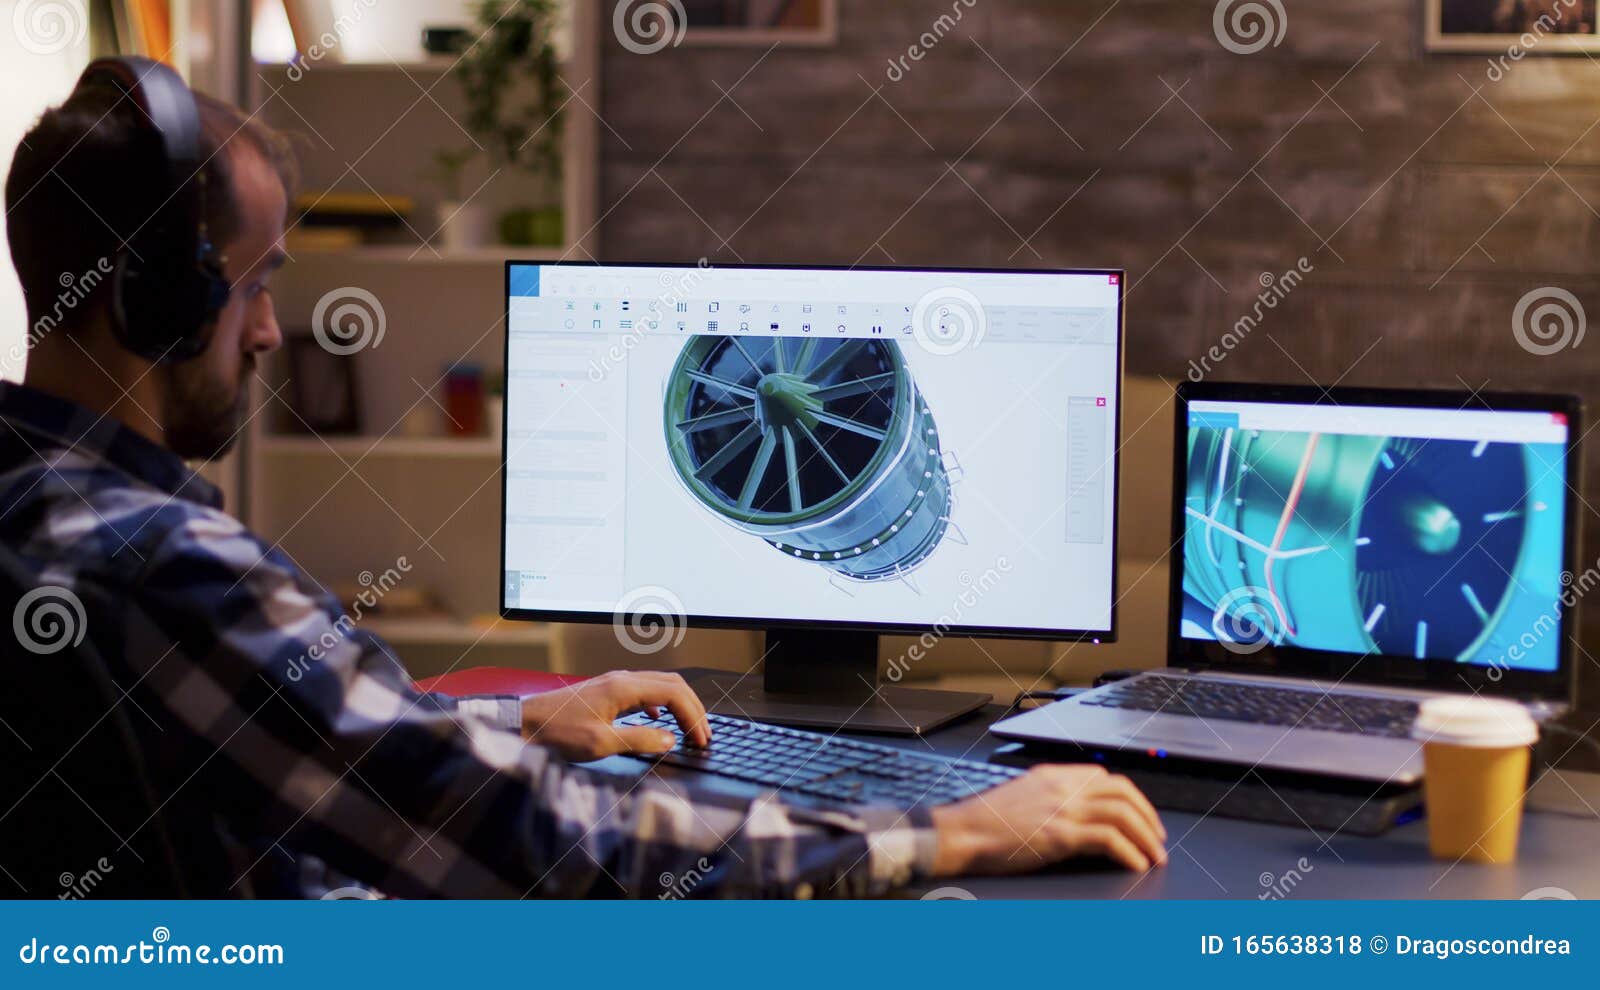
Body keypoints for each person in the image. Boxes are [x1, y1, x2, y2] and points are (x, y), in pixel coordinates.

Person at [0, 66, 1166, 898]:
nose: (267, 335)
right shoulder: (171, 570)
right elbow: (556, 845)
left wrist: (512, 718)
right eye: (255, 286)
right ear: (154, 298)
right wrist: (948, 835)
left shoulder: (42, 512)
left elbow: (289, 731)